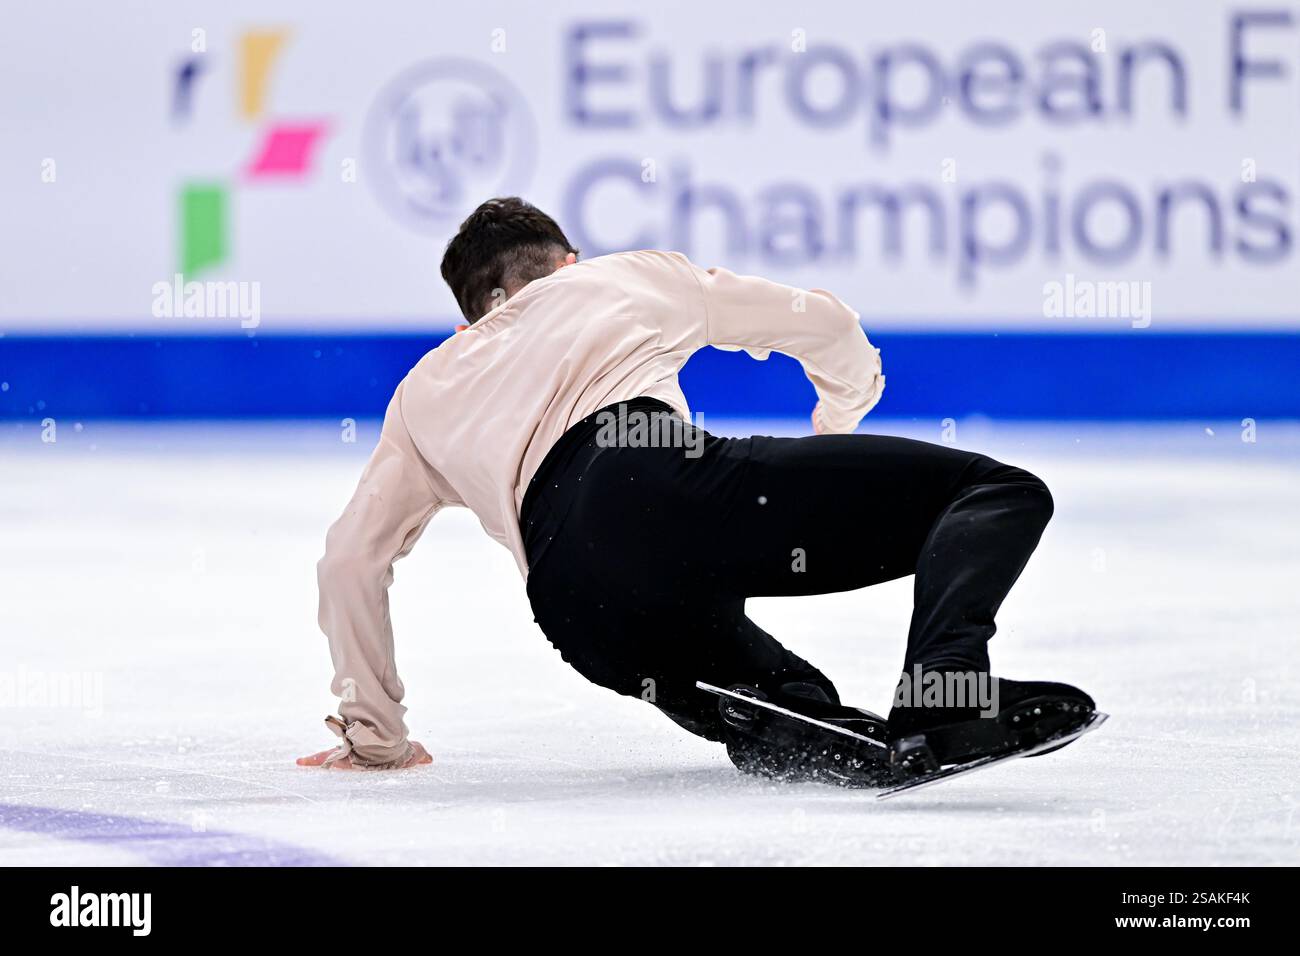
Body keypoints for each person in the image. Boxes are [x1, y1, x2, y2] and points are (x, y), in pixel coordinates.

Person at [298, 197, 1095, 780]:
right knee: (996, 493)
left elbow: (349, 564)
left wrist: (378, 737)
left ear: (472, 314)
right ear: (564, 263)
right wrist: (843, 408)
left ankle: (793, 719)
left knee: (784, 696)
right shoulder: (618, 279)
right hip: (651, 481)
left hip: (578, 608)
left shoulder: (424, 390)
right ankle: (944, 686)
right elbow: (818, 321)